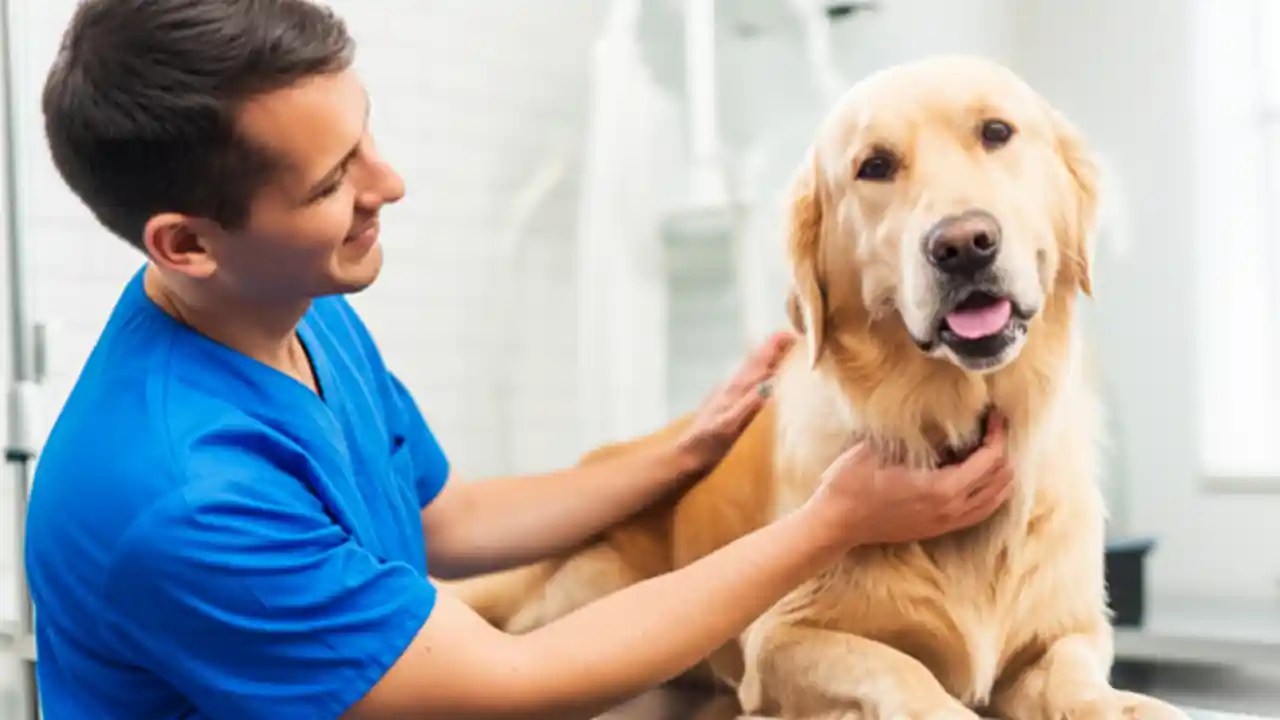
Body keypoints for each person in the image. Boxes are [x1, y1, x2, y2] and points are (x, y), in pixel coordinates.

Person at [21, 1, 1016, 718]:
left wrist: (678, 452)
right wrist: (831, 523)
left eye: (364, 136)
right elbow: (513, 687)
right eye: (333, 181)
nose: (389, 183)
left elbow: (439, 520)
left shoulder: (274, 305)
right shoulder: (181, 496)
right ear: (186, 242)